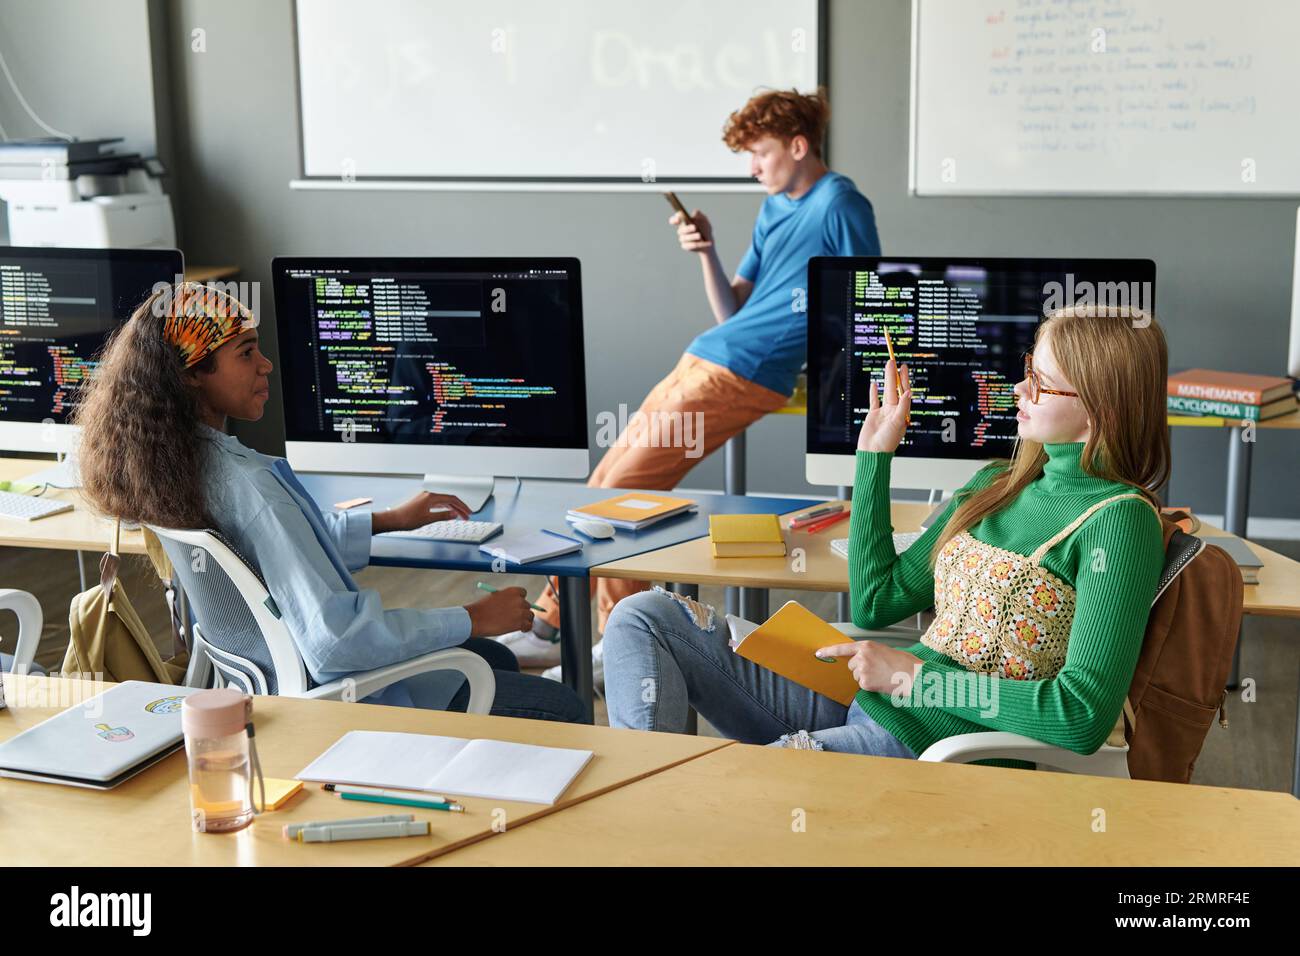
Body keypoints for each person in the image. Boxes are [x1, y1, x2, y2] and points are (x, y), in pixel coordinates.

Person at [600, 306, 1168, 760]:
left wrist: (916, 679)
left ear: (1098, 408)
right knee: (642, 617)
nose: (1018, 391)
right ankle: (649, 793)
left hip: (940, 745)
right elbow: (877, 602)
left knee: (743, 780)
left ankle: (652, 816)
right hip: (868, 700)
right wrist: (874, 457)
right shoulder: (1001, 481)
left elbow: (1082, 715)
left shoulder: (1119, 522)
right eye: (1026, 372)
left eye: (1040, 384)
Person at [73, 282, 586, 722]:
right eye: (246, 352)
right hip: (341, 694)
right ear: (191, 373)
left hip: (265, 681)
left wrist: (388, 520)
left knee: (492, 655)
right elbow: (337, 641)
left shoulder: (167, 467)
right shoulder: (251, 486)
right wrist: (473, 615)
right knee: (564, 706)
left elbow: (278, 560)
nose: (267, 365)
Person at [502, 88, 882, 679]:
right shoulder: (774, 208)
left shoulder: (839, 202)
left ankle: (617, 643)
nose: (754, 167)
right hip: (708, 356)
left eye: (760, 153)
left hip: (743, 375)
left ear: (798, 146)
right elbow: (731, 310)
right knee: (601, 487)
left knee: (617, 501)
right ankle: (553, 626)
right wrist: (705, 251)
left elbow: (866, 298)